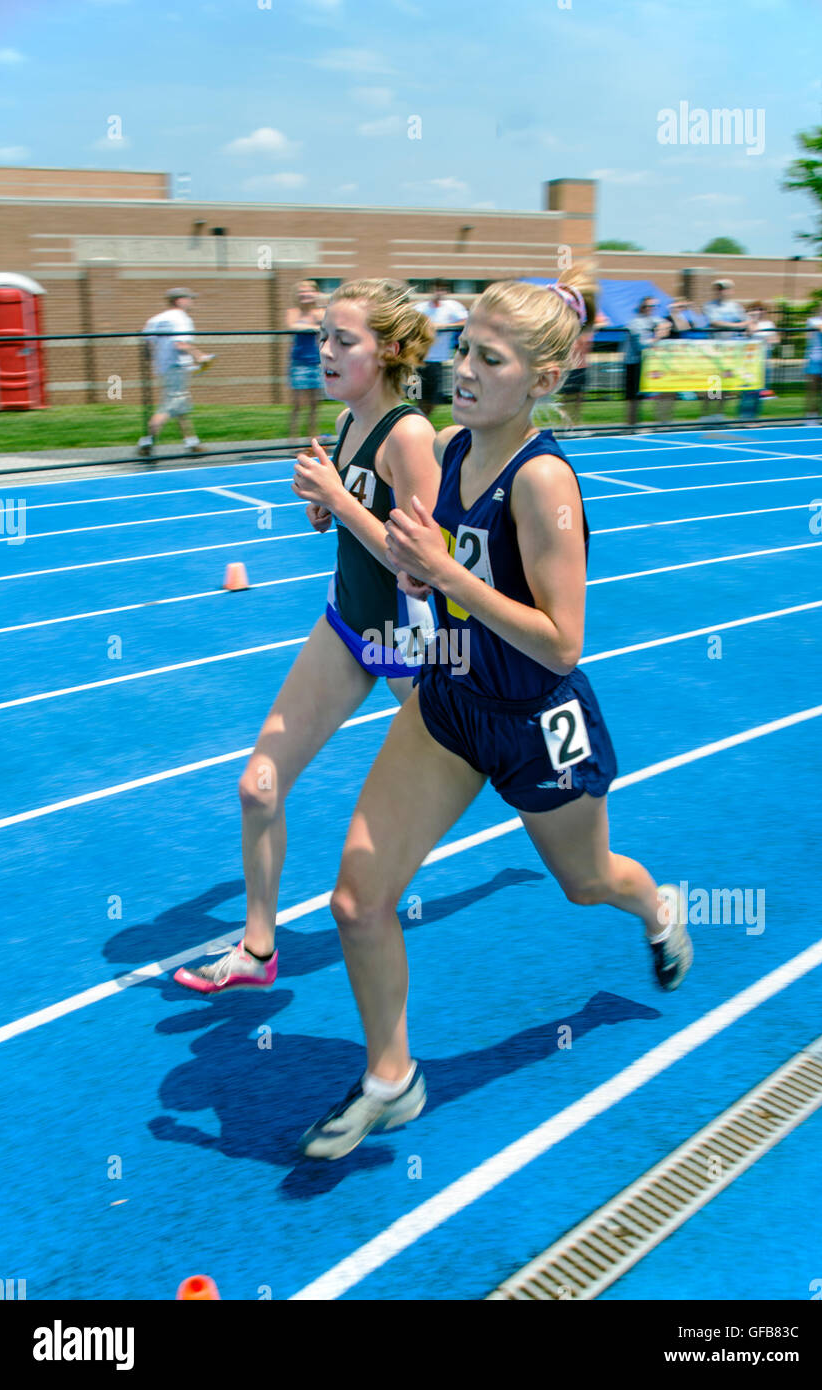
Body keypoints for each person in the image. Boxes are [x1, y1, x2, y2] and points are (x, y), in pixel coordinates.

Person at [299, 274, 692, 1160]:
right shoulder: (444, 443)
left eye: (489, 358)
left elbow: (562, 643)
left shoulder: (541, 479)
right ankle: (392, 1081)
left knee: (587, 883)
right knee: (358, 901)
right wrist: (375, 537)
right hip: (450, 695)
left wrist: (448, 578)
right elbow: (422, 561)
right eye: (461, 348)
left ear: (543, 379)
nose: (462, 369)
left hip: (534, 715)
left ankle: (656, 906)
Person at [174, 280, 438, 995]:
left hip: (409, 645)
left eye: (342, 340)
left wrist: (339, 501)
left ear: (384, 352)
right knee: (257, 787)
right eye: (323, 336)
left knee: (505, 772)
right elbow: (361, 527)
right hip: (348, 626)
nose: (323, 351)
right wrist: (331, 512)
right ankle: (257, 953)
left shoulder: (410, 435)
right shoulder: (350, 419)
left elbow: (420, 563)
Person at [136, 288, 214, 459]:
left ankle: (192, 442)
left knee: (180, 405)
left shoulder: (156, 319)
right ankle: (146, 442)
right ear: (179, 301)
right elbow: (180, 344)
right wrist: (200, 356)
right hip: (178, 367)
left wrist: (156, 362)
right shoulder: (181, 319)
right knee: (170, 405)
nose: (192, 302)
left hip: (164, 368)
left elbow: (146, 344)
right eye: (189, 298)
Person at [415, 280, 468, 418]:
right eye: (436, 289)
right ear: (431, 290)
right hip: (420, 357)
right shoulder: (421, 308)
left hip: (440, 359)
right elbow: (410, 322)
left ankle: (423, 418)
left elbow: (466, 321)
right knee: (417, 394)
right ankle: (420, 418)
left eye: (442, 289)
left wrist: (443, 326)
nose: (438, 292)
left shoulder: (452, 307)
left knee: (435, 397)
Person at [701, 279, 748, 422]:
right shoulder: (709, 306)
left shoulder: (736, 307)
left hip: (731, 350)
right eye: (719, 289)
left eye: (725, 289)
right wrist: (737, 325)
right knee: (713, 384)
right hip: (715, 349)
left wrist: (742, 325)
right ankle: (706, 414)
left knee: (726, 383)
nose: (722, 292)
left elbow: (747, 322)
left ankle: (719, 413)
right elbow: (715, 322)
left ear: (731, 291)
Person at [559, 302, 608, 432]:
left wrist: (590, 325)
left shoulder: (588, 318)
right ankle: (566, 426)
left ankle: (575, 424)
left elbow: (604, 322)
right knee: (567, 397)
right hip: (569, 365)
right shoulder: (567, 320)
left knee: (579, 397)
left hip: (583, 364)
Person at [286, 279, 325, 439]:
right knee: (297, 405)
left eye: (309, 290)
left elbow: (328, 325)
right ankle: (293, 441)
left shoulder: (320, 313)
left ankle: (312, 440)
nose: (305, 294)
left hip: (316, 361)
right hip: (299, 362)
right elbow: (292, 326)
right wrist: (315, 327)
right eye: (302, 291)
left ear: (315, 293)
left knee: (315, 405)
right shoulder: (293, 312)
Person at [623, 295, 669, 428]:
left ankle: (648, 423)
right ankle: (632, 425)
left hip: (649, 363)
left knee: (648, 394)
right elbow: (641, 345)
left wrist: (663, 326)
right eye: (647, 306)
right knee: (634, 397)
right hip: (635, 361)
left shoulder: (654, 319)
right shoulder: (635, 322)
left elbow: (666, 323)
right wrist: (658, 336)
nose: (650, 309)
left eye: (653, 306)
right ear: (641, 307)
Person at [739, 302, 778, 421]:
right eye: (755, 309)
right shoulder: (747, 322)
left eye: (760, 309)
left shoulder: (769, 323)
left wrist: (763, 337)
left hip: (764, 358)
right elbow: (749, 334)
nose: (758, 312)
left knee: (760, 391)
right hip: (750, 360)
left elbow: (775, 340)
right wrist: (752, 321)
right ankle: (744, 417)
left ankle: (755, 417)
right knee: (748, 390)